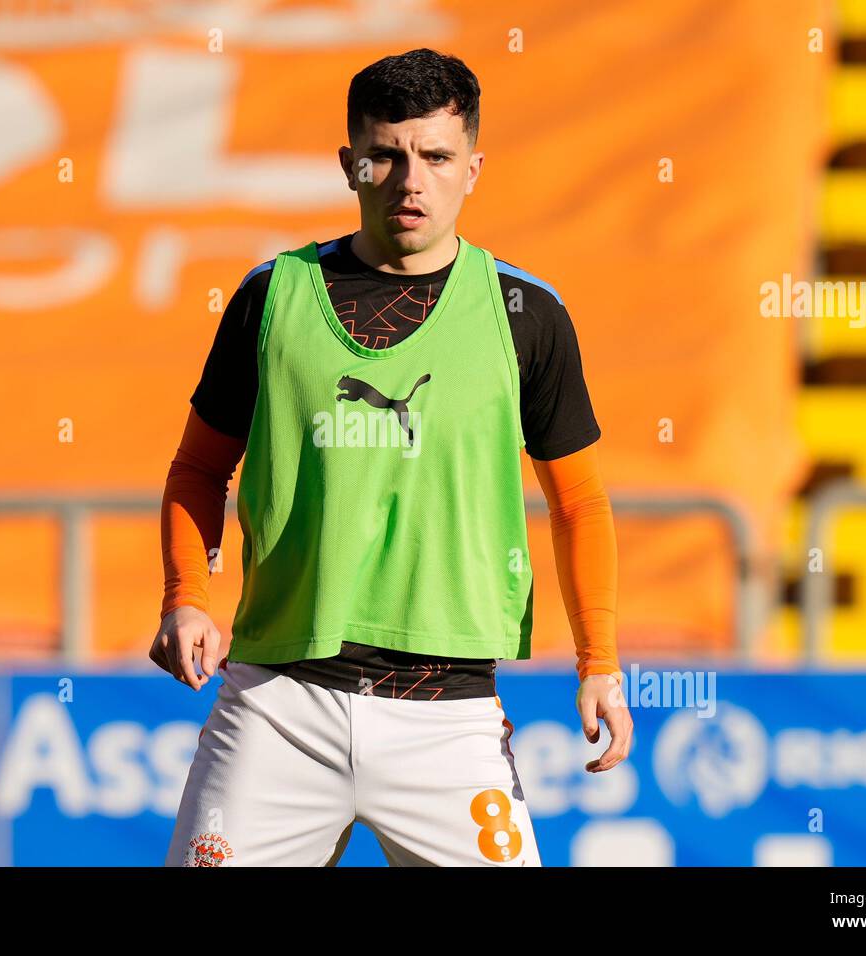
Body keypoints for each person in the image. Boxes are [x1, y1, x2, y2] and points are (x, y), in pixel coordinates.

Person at [153, 47, 630, 867]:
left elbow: (580, 501)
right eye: (387, 155)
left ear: (474, 168)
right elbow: (198, 469)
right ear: (350, 164)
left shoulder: (526, 315)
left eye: (437, 157)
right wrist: (186, 595)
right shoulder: (271, 298)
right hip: (278, 703)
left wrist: (601, 662)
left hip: (449, 716)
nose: (412, 181)